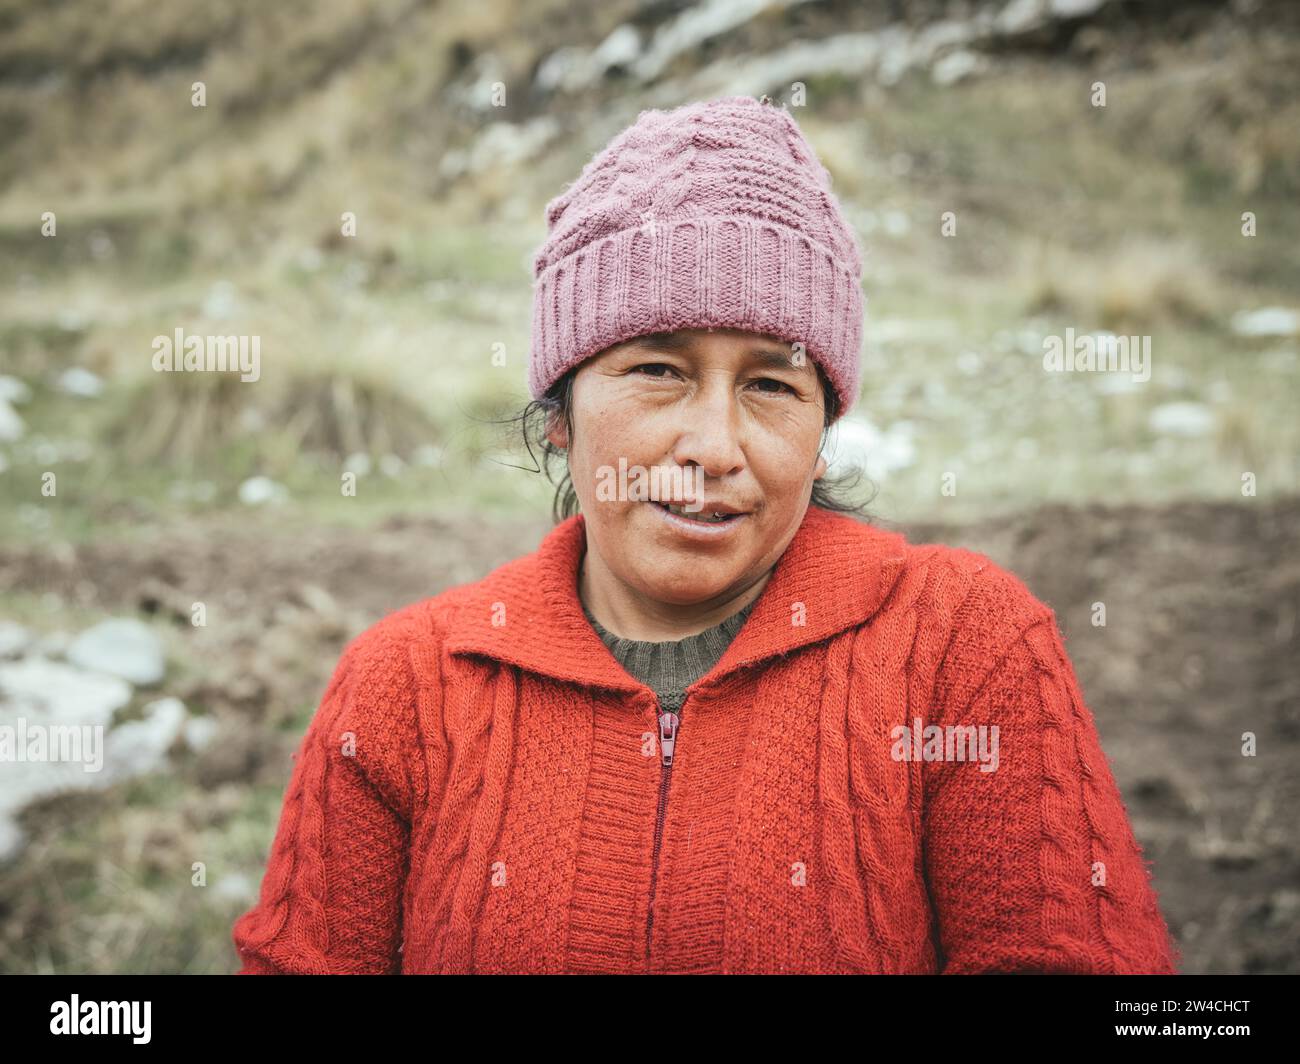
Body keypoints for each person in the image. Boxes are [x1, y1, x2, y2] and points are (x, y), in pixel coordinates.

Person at [231, 95, 1179, 974]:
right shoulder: (403, 687)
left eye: (772, 385)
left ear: (823, 426)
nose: (716, 446)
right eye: (657, 369)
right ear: (559, 412)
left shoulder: (962, 645)